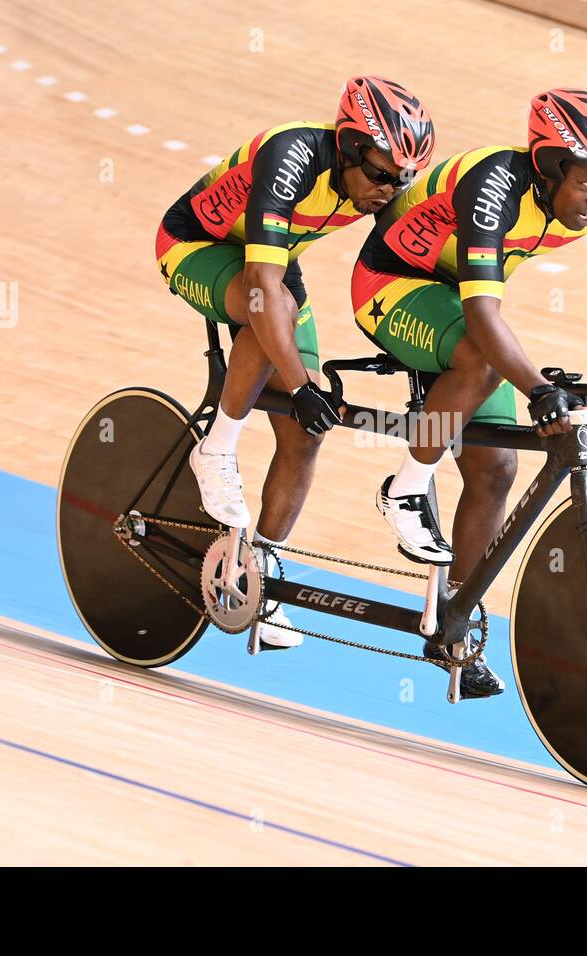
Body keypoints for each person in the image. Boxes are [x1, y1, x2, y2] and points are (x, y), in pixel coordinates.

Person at [351, 88, 587, 697]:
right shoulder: (494, 180)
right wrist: (540, 390)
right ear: (548, 166)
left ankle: (454, 630)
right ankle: (406, 485)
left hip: (457, 304)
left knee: (495, 470)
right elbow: (483, 314)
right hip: (393, 285)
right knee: (481, 361)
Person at [157, 76, 434, 647]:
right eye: (381, 174)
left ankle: (259, 572)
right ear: (349, 148)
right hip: (199, 246)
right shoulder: (293, 154)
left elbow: (405, 263)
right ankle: (216, 447)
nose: (390, 189)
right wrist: (298, 381)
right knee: (272, 311)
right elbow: (260, 285)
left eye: (403, 178)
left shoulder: (381, 185)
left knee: (305, 432)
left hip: (274, 261)